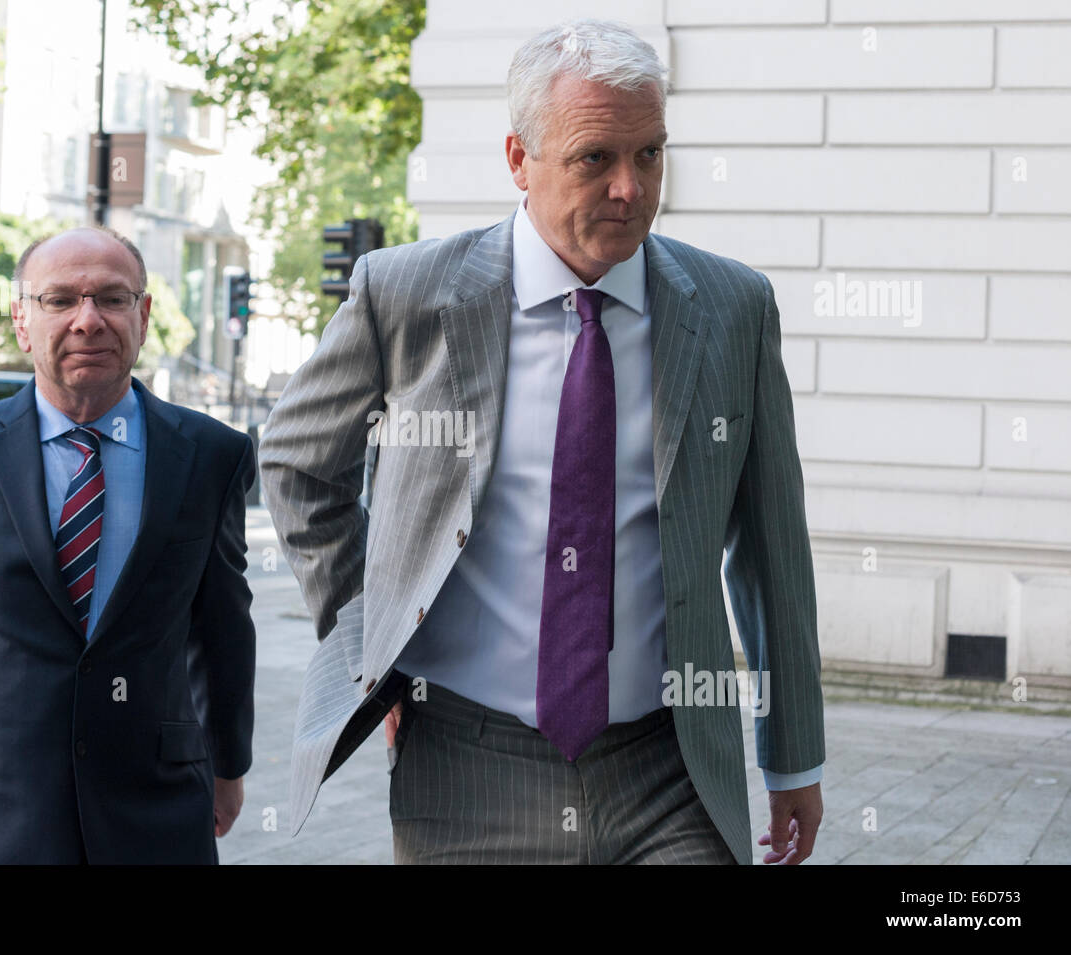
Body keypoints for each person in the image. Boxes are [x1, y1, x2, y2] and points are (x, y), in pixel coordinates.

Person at [260, 19, 824, 864]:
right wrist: (370, 644)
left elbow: (772, 547)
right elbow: (298, 463)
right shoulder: (406, 294)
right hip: (464, 774)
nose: (630, 188)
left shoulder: (734, 308)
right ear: (520, 159)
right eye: (596, 158)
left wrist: (793, 755)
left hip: (671, 771)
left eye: (651, 154)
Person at [0, 226, 256, 864]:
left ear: (143, 316)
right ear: (21, 320)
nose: (88, 320)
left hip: (157, 818)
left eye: (112, 299)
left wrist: (228, 765)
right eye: (60, 300)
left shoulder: (212, 455)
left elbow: (223, 630)